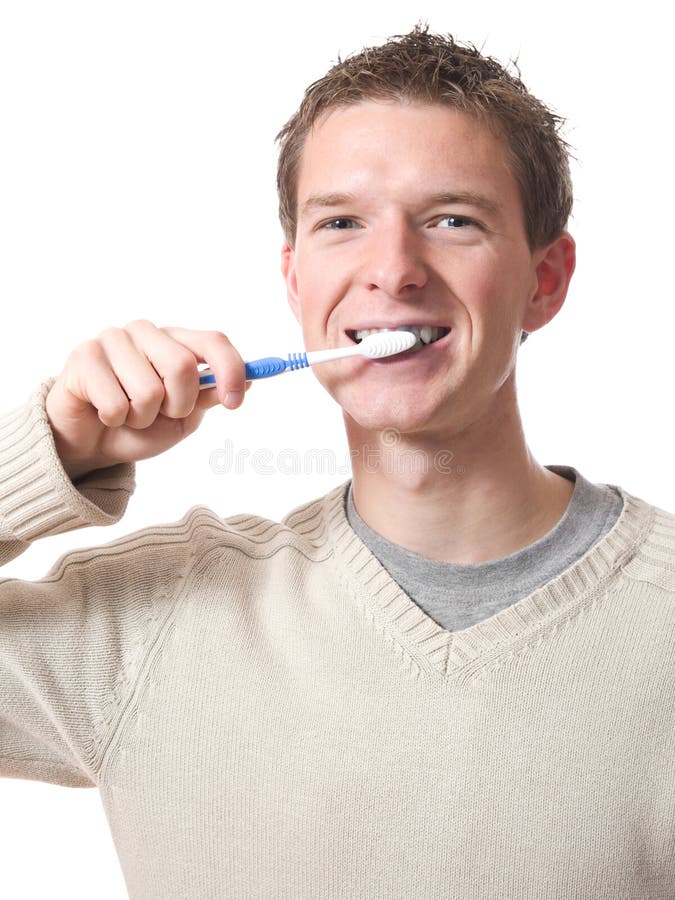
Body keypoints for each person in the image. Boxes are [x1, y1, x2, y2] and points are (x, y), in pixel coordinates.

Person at [1, 24, 673, 900]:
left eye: (451, 220)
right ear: (295, 281)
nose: (391, 270)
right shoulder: (152, 625)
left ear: (543, 281)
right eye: (342, 223)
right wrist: (47, 455)